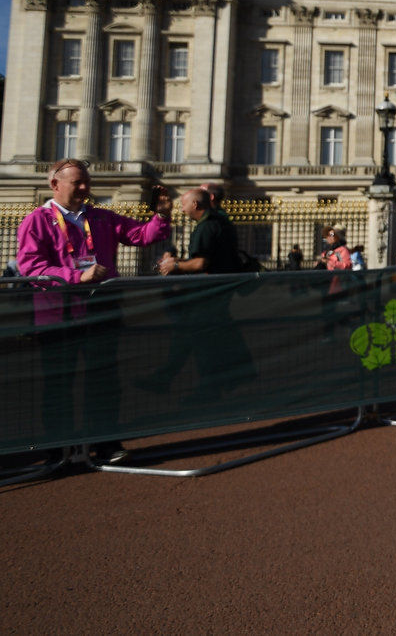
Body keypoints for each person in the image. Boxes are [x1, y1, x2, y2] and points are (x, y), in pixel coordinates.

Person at [15, 159, 173, 463]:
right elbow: (31, 266)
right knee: (58, 384)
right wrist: (76, 275)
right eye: (79, 183)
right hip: (57, 317)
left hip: (101, 312)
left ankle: (106, 442)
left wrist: (161, 215)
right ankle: (57, 447)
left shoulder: (101, 217)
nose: (86, 189)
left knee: (104, 381)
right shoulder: (37, 220)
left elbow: (141, 236)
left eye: (87, 182)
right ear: (55, 185)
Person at [153, 187, 255, 398]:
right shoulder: (220, 221)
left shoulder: (206, 226)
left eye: (183, 205)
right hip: (218, 289)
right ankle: (165, 377)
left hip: (209, 292)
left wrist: (176, 267)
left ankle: (212, 387)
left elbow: (201, 262)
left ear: (195, 205)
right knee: (193, 335)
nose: (181, 210)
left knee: (204, 342)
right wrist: (178, 261)